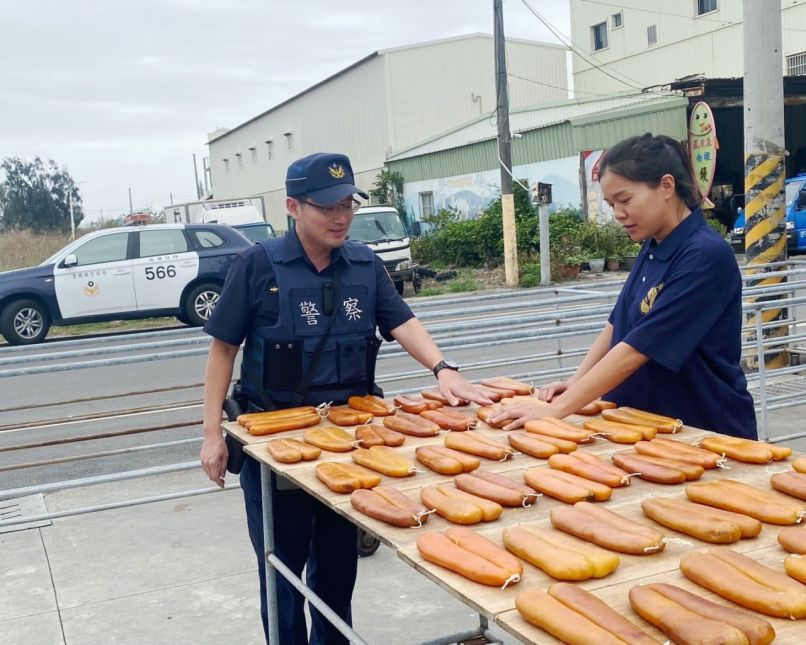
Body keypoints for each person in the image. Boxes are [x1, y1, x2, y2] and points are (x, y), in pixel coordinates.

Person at [199, 151, 490, 644]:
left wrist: (443, 369)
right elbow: (222, 349)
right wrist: (212, 434)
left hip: (351, 448)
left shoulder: (363, 265)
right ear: (293, 206)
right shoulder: (257, 266)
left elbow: (401, 321)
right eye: (327, 207)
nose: (341, 218)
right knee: (280, 572)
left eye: (348, 205)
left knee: (337, 571)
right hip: (276, 447)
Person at [492, 133, 757, 439]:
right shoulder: (654, 245)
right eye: (611, 203)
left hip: (705, 429)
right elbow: (617, 326)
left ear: (666, 186)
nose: (617, 213)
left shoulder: (704, 256)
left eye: (625, 199)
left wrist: (555, 410)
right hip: (649, 426)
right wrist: (577, 383)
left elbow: (638, 348)